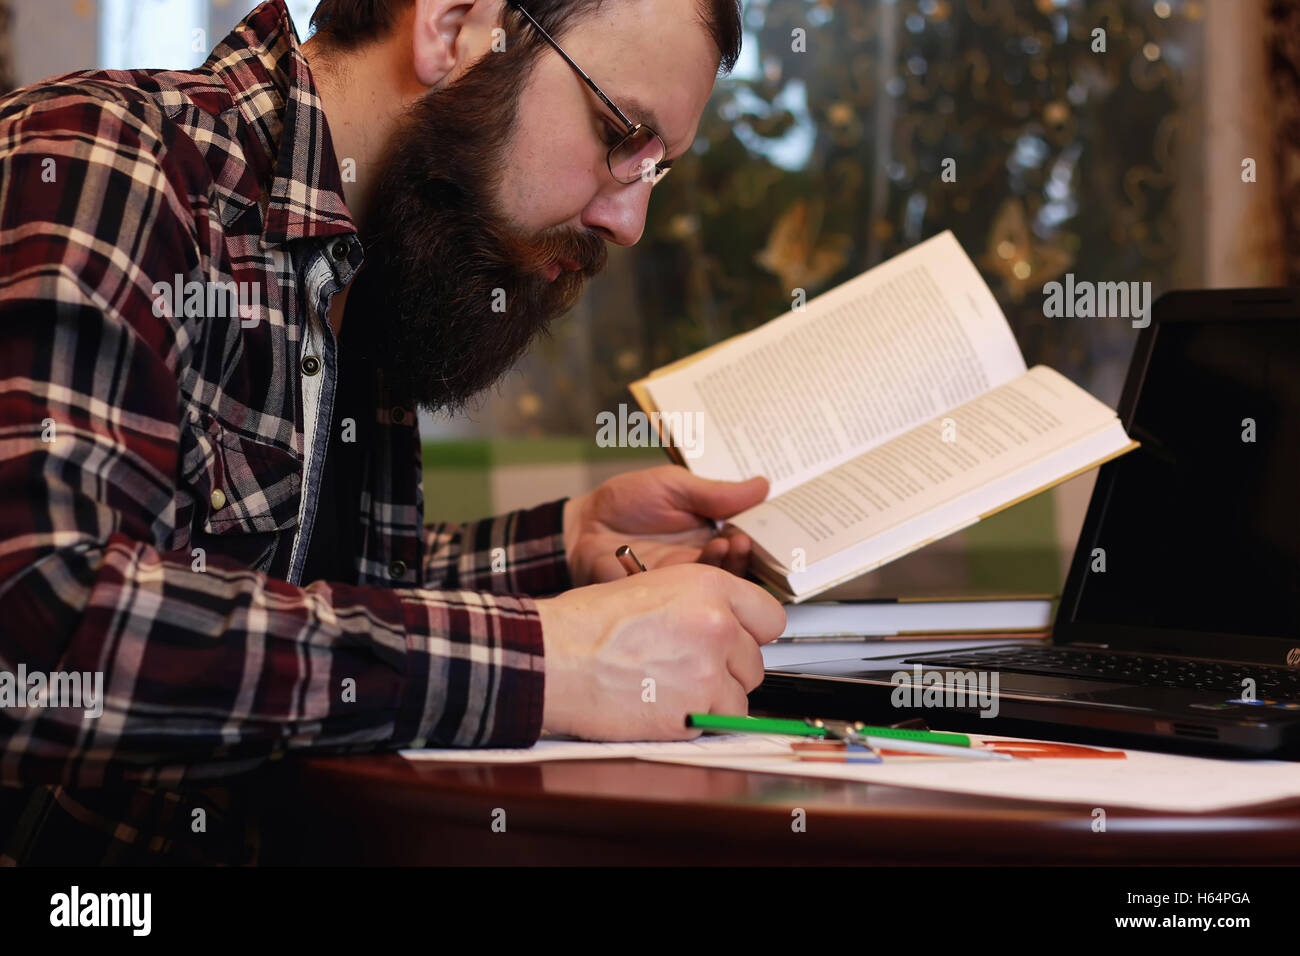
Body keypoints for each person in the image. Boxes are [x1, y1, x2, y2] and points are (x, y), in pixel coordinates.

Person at [0, 0, 786, 865]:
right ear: (456, 26)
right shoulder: (103, 156)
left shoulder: (372, 253)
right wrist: (553, 662)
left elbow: (285, 587)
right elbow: (46, 616)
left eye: (656, 169)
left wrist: (567, 544)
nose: (628, 224)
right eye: (618, 132)